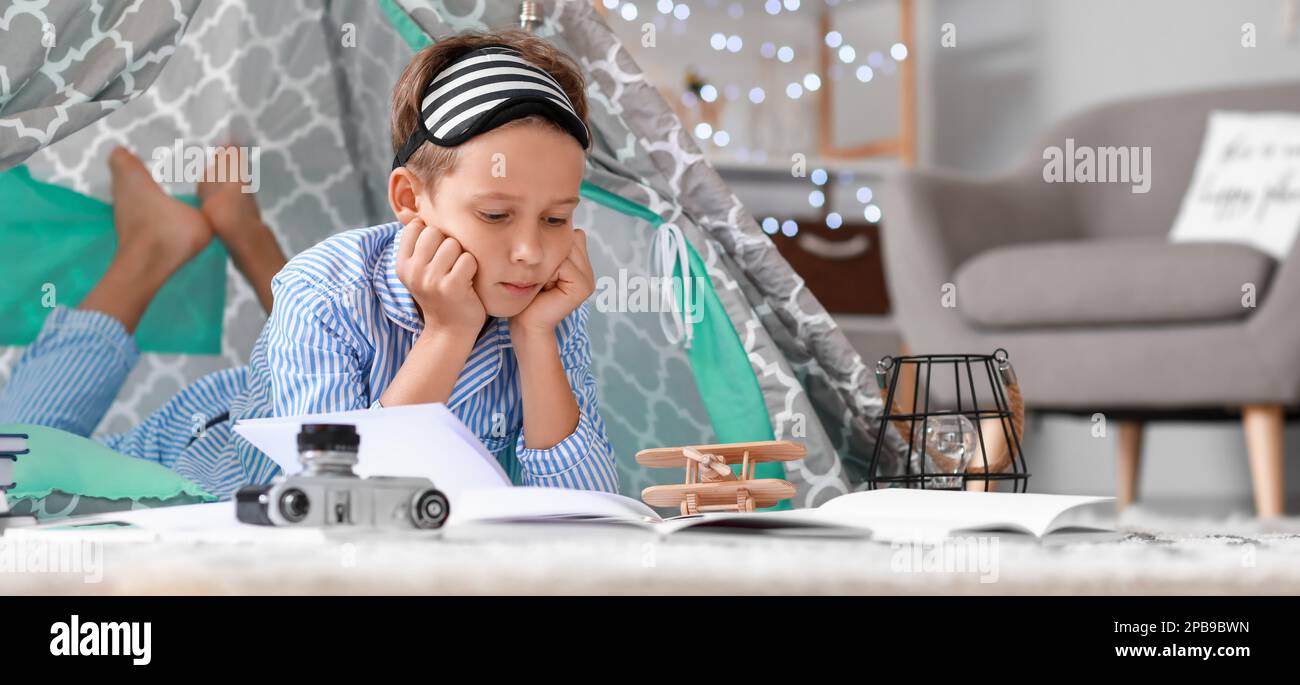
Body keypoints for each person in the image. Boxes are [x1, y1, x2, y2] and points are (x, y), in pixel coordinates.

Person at [0, 29, 620, 498]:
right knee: (12, 464)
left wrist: (537, 339)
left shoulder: (543, 304)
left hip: (304, 392)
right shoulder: (322, 287)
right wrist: (448, 334)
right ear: (409, 199)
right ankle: (152, 249)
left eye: (557, 218)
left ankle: (228, 234)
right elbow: (323, 501)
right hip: (181, 475)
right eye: (495, 216)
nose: (531, 252)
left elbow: (585, 510)